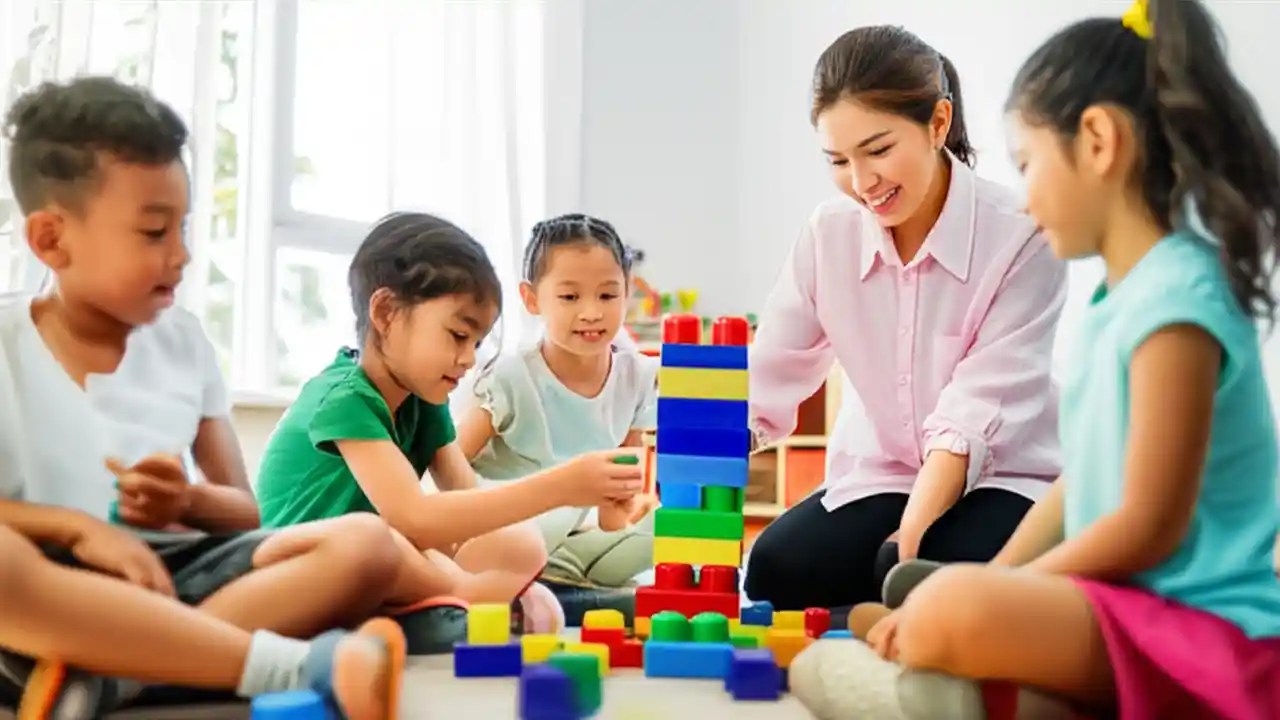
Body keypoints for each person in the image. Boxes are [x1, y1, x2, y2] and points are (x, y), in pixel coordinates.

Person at [794, 1, 1280, 718]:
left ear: (1097, 141)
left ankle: (946, 672)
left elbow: (1148, 524)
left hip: (1195, 629)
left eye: (1028, 163)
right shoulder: (1121, 299)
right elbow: (1081, 484)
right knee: (951, 601)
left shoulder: (1179, 300)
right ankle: (965, 675)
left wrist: (1005, 591)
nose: (1024, 198)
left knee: (949, 610)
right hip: (1125, 607)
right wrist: (1006, 573)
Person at [0, 76, 405, 719]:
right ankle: (281, 665)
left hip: (171, 570)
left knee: (368, 544)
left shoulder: (184, 342)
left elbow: (244, 511)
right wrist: (76, 529)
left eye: (183, 227)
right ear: (51, 239)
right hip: (49, 587)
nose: (182, 255)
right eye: (154, 232)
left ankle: (107, 679)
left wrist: (184, 500)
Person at [744, 25, 1066, 610]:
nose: (862, 183)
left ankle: (908, 617)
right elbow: (772, 371)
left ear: (938, 124)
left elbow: (977, 409)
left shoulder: (1023, 236)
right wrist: (701, 451)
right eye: (838, 160)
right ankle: (892, 614)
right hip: (886, 475)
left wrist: (908, 540)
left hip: (1001, 478)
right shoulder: (828, 236)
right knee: (773, 570)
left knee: (945, 577)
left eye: (878, 150)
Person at [254, 212, 646, 634]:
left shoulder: (423, 399)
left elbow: (467, 503)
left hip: (381, 565)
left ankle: (458, 605)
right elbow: (414, 517)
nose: (470, 359)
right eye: (459, 336)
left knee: (519, 541)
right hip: (300, 574)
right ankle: (460, 605)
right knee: (384, 545)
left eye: (477, 343)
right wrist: (561, 486)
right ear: (386, 312)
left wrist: (517, 566)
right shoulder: (344, 398)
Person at [459, 214, 658, 607]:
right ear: (532, 299)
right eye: (570, 297)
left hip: (564, 538)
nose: (591, 313)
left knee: (670, 531)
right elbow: (448, 466)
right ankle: (545, 578)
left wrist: (618, 514)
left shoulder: (637, 376)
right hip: (501, 531)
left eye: (607, 295)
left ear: (627, 293)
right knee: (538, 541)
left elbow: (613, 513)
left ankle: (556, 576)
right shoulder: (512, 375)